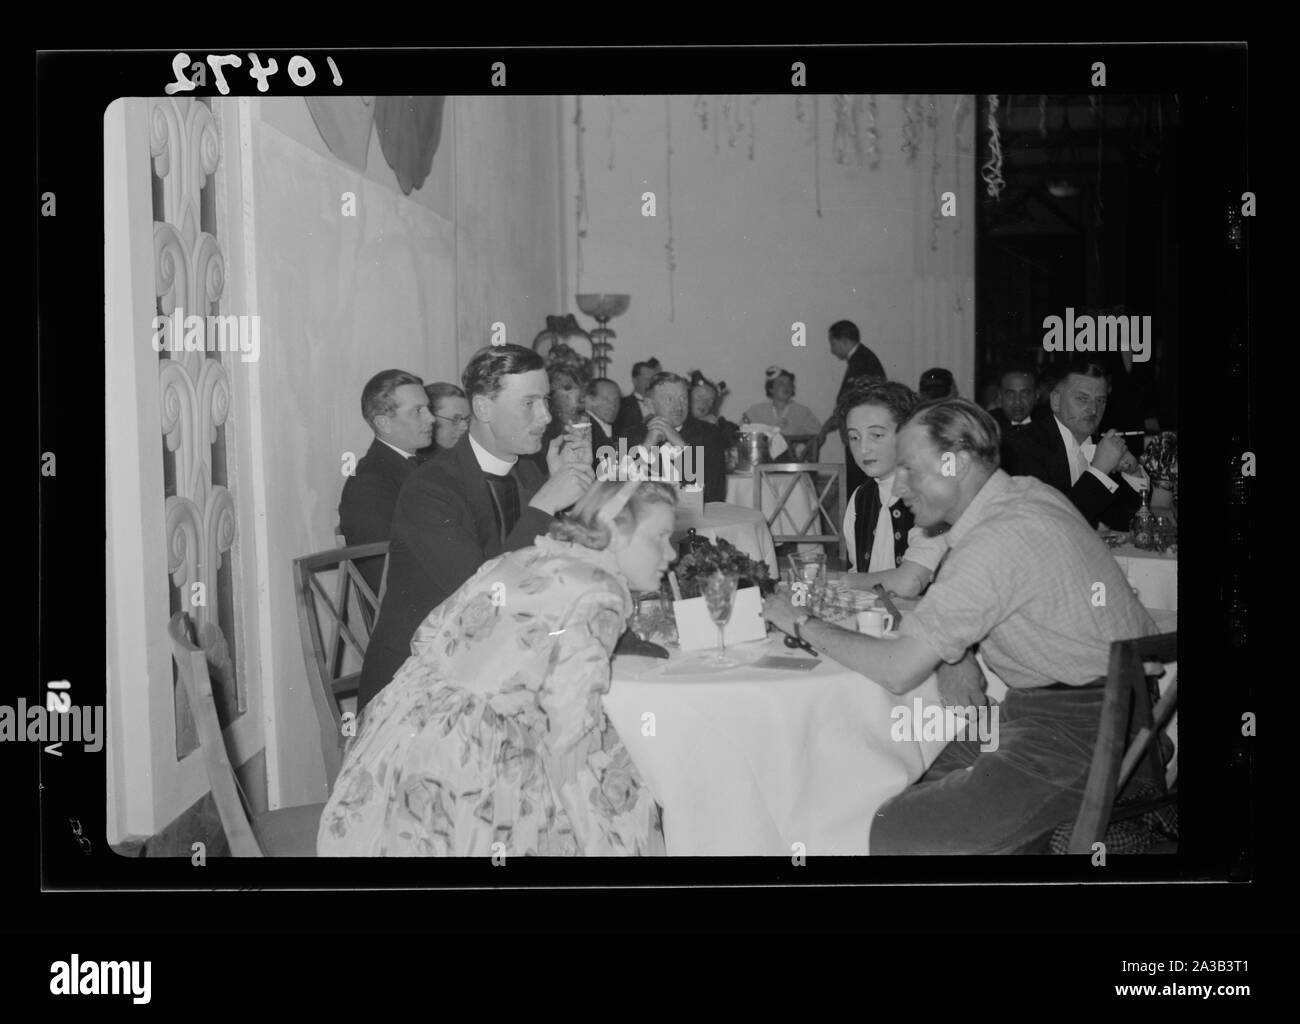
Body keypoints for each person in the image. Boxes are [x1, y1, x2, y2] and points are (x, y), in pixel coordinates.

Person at [760, 398, 1157, 854]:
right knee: (899, 774)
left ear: (960, 462)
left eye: (911, 469)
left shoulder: (995, 539)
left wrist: (802, 621)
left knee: (889, 830)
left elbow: (898, 668)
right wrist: (957, 654)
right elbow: (970, 597)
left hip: (1085, 734)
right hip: (1068, 711)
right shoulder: (1021, 494)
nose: (900, 483)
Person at [319, 478, 678, 857]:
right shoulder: (603, 590)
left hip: (409, 730)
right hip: (475, 755)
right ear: (616, 532)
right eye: (659, 537)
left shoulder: (527, 555)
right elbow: (568, 719)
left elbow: (427, 636)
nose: (670, 553)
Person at [357, 345, 595, 711]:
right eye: (529, 403)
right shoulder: (431, 488)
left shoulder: (527, 470)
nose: (546, 416)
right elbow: (481, 597)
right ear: (483, 408)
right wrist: (546, 503)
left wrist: (566, 495)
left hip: (497, 659)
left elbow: (551, 571)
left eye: (545, 400)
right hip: (422, 685)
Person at [1002, 357, 1146, 530]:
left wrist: (1133, 472)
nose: (1093, 410)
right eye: (1082, 399)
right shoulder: (1025, 445)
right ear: (1055, 401)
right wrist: (1099, 470)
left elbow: (1127, 521)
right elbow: (1056, 525)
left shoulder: (1102, 445)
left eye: (1100, 401)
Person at [838, 381, 947, 597]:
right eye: (854, 437)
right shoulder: (861, 498)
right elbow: (860, 572)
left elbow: (909, 583)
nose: (863, 448)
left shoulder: (931, 495)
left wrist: (845, 581)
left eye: (876, 435)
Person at [338, 369, 434, 594]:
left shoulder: (421, 465)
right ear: (384, 423)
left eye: (428, 408)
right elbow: (385, 577)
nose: (431, 418)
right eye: (418, 411)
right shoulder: (369, 483)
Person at [626, 371, 726, 502]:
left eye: (683, 398)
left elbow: (713, 494)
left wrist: (681, 445)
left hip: (693, 519)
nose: (679, 406)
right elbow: (620, 491)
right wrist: (647, 446)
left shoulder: (709, 434)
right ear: (650, 405)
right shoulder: (631, 436)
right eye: (670, 399)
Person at [817, 320, 887, 497]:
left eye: (832, 343)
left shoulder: (862, 361)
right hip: (862, 434)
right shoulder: (861, 358)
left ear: (844, 341)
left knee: (859, 484)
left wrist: (828, 426)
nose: (831, 350)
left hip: (862, 435)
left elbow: (852, 401)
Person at [743, 367, 822, 438]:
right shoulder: (757, 411)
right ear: (771, 389)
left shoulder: (802, 412)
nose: (786, 387)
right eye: (781, 384)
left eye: (789, 384)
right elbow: (742, 430)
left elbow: (818, 435)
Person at [688, 371, 740, 452]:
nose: (704, 403)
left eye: (710, 400)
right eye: (699, 397)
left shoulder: (718, 425)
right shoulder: (675, 423)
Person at [418, 381, 470, 458]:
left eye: (468, 419)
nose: (465, 427)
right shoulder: (423, 466)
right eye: (455, 419)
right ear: (430, 418)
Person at [614, 357, 660, 436]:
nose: (651, 383)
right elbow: (619, 435)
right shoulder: (622, 405)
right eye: (647, 379)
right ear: (635, 381)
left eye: (653, 380)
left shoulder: (661, 403)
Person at [584, 377, 623, 452]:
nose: (613, 406)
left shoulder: (616, 428)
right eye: (606, 400)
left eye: (616, 400)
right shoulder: (585, 430)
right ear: (589, 400)